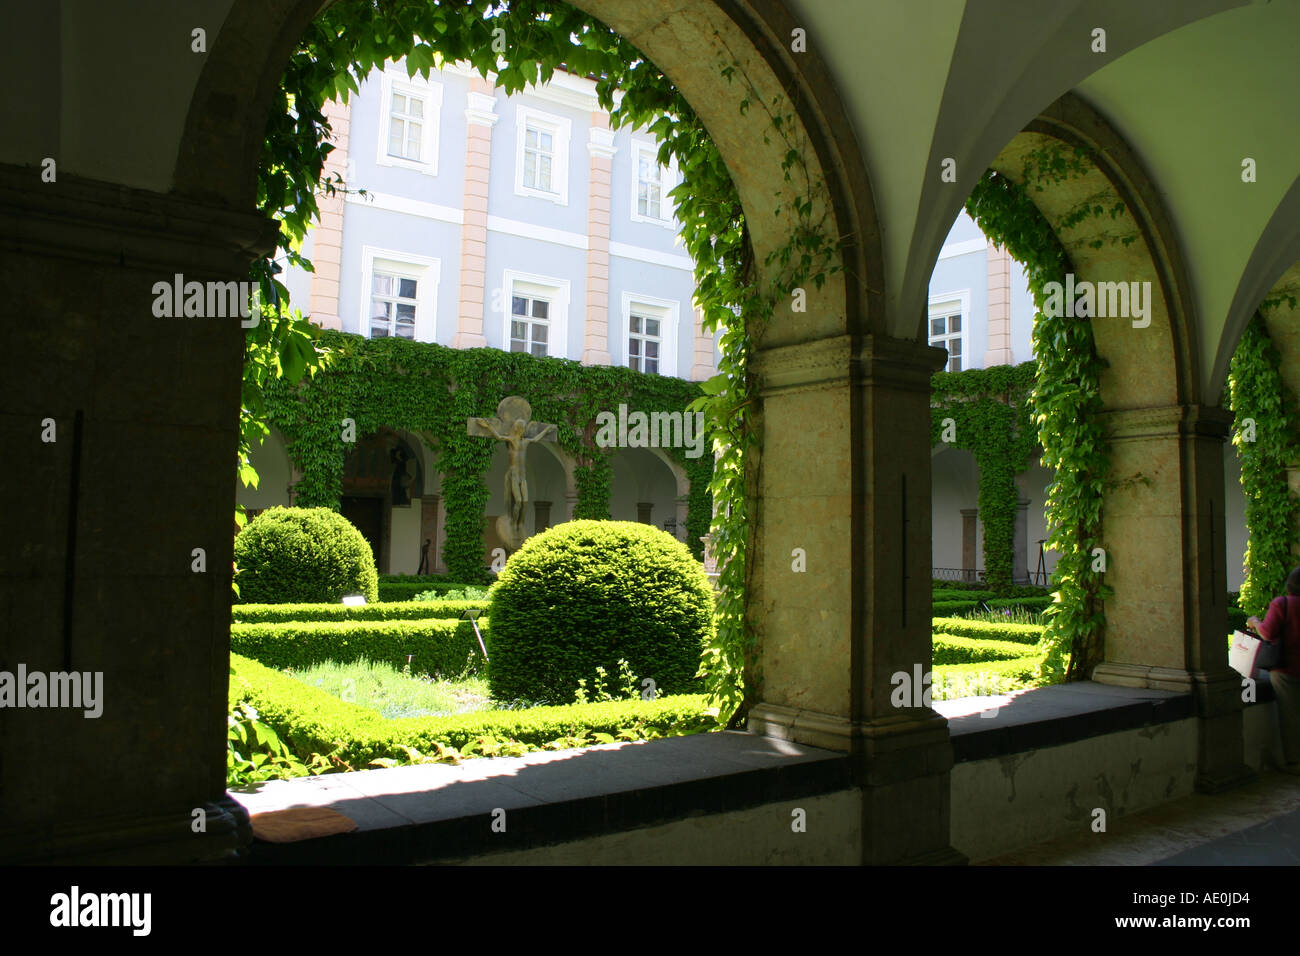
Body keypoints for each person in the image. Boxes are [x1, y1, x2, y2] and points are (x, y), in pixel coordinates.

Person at [1247, 566, 1300, 774]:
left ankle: (1295, 762)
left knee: (1290, 717)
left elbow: (1268, 633)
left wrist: (1255, 622)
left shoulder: (1282, 604)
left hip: (1286, 670)